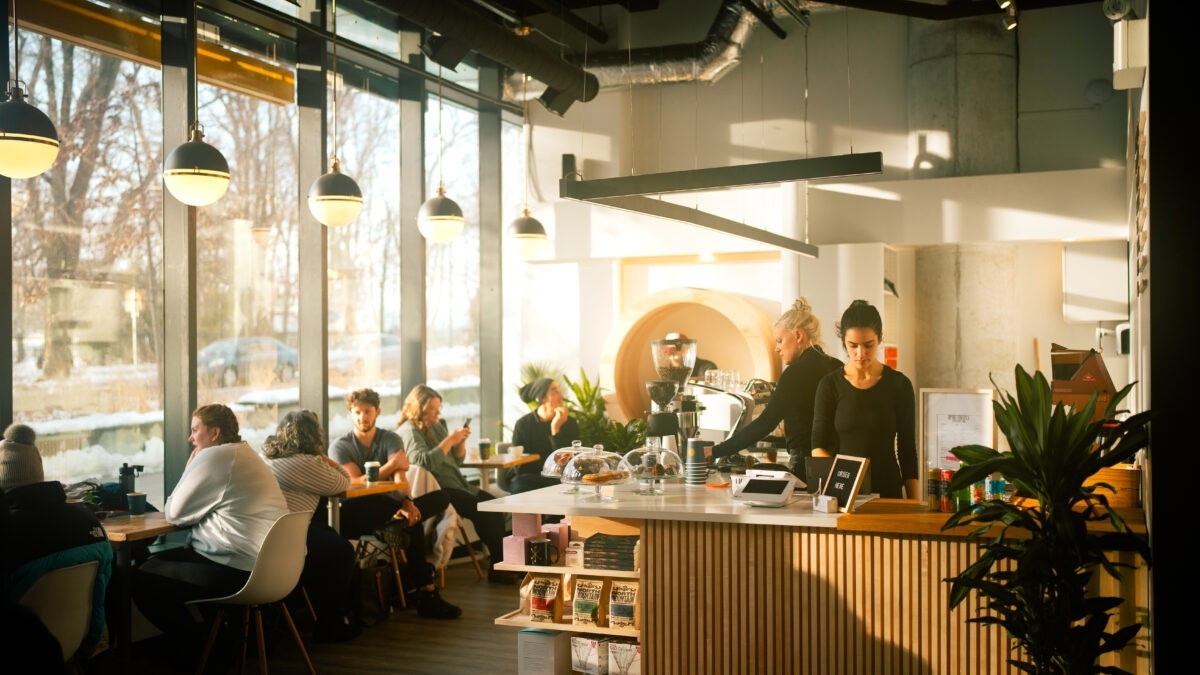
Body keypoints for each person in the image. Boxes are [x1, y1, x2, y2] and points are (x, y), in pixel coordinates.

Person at [132, 404, 289, 661]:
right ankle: (216, 645)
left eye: (195, 430)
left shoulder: (217, 456)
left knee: (143, 577)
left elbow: (175, 513)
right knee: (174, 561)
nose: (190, 438)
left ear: (215, 433)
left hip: (238, 571)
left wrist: (188, 469)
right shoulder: (247, 454)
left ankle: (202, 652)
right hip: (272, 570)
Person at [329, 388, 462, 619]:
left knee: (441, 498)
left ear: (377, 412)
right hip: (355, 511)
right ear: (351, 414)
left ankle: (397, 521)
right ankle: (427, 595)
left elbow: (401, 481)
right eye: (357, 412)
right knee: (411, 523)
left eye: (367, 411)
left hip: (387, 507)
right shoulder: (340, 446)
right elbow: (358, 484)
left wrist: (408, 503)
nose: (363, 417)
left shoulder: (390, 438)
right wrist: (389, 468)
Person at [0, 423, 112, 663]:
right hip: (75, 643)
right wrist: (92, 637)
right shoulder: (87, 519)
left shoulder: (9, 532)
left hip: (19, 650)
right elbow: (101, 587)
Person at [396, 384, 517, 584]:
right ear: (420, 408)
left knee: (493, 506)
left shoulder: (434, 427)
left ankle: (500, 564)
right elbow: (422, 463)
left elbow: (456, 461)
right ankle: (500, 566)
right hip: (439, 490)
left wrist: (458, 443)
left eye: (438, 408)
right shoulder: (409, 431)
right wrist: (449, 440)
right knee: (482, 511)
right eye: (433, 409)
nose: (438, 413)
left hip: (458, 484)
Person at [709, 298, 843, 477]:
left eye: (779, 340)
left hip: (807, 467)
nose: (776, 349)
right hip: (840, 465)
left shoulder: (794, 374)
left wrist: (716, 451)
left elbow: (766, 422)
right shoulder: (837, 366)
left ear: (798, 335)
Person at [262, 410, 362, 642]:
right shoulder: (306, 463)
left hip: (265, 532)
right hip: (287, 535)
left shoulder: (268, 457)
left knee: (326, 538)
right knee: (342, 551)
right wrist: (321, 456)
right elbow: (342, 480)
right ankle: (330, 623)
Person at [811, 300, 919, 500]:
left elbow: (907, 452)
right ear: (844, 341)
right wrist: (846, 481)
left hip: (887, 492)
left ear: (879, 339)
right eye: (853, 345)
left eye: (868, 345)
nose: (860, 354)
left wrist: (915, 505)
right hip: (843, 494)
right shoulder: (829, 385)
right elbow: (818, 446)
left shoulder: (899, 385)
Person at [508, 377, 580, 494]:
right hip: (530, 478)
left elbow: (568, 462)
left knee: (570, 487)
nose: (561, 395)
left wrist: (555, 429)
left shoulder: (569, 423)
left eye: (559, 390)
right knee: (519, 484)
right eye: (554, 391)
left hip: (559, 479)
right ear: (541, 398)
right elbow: (518, 462)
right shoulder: (523, 424)